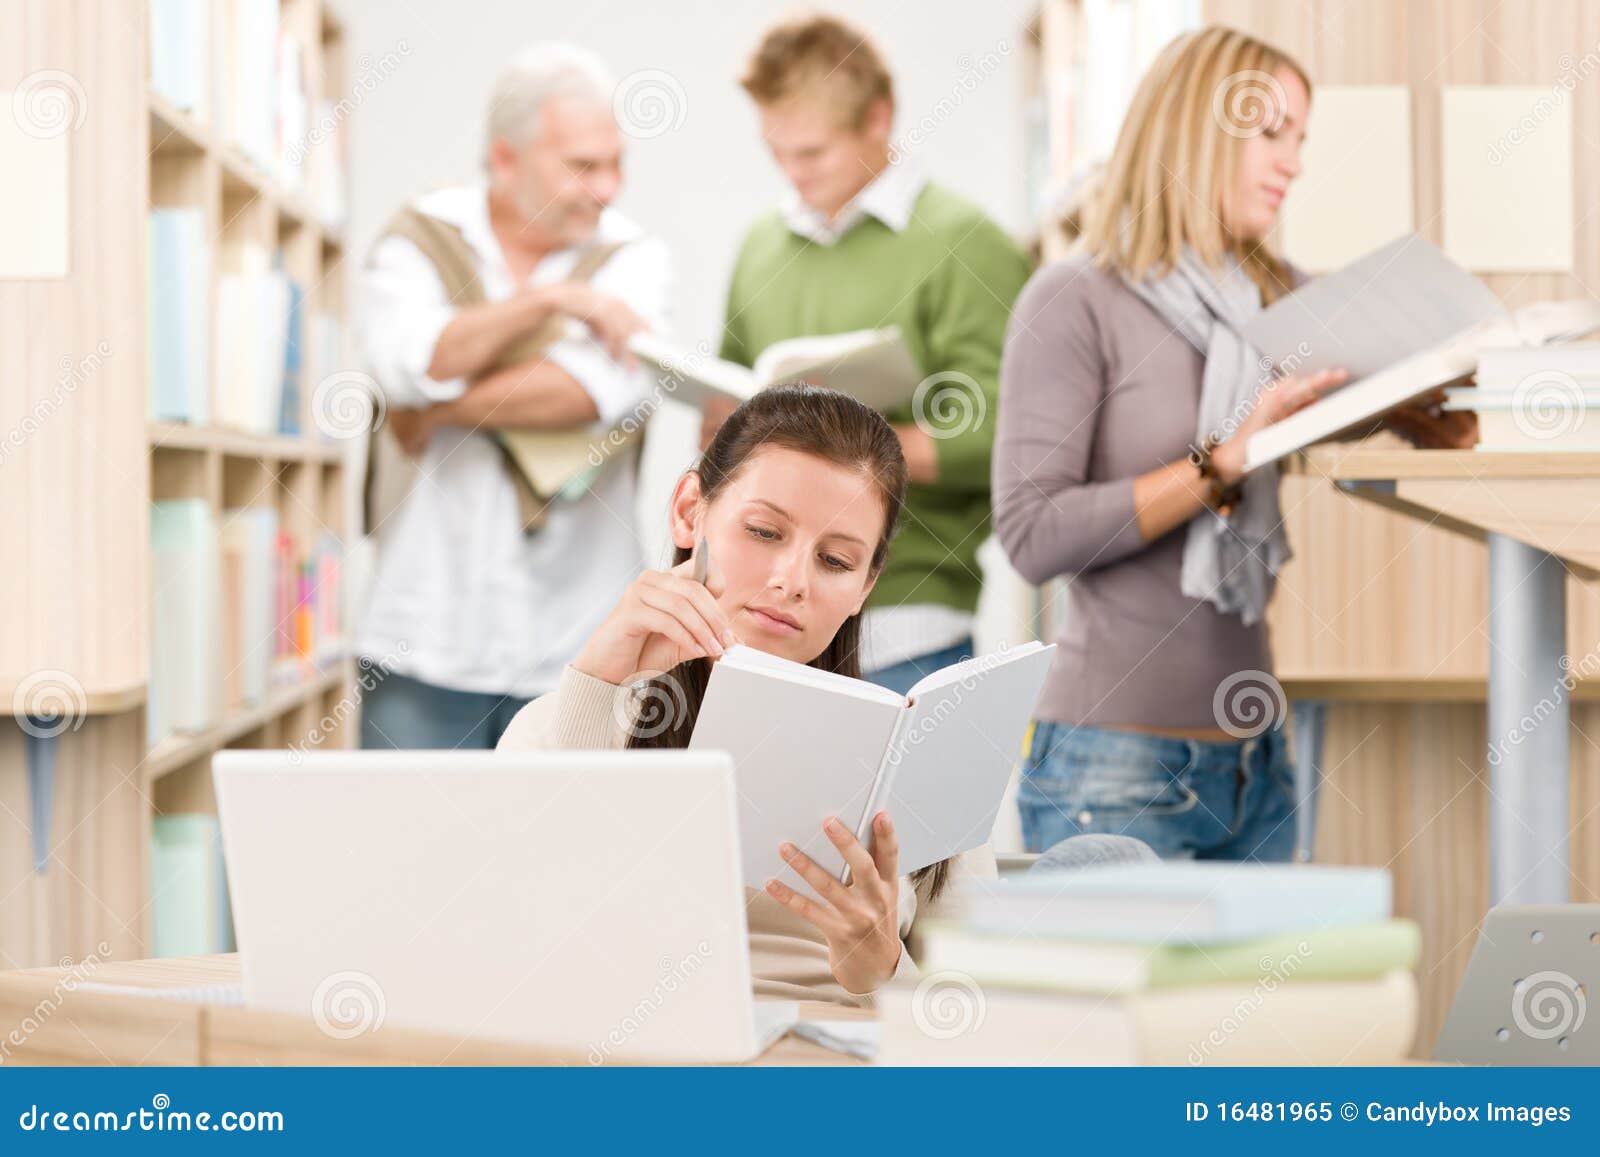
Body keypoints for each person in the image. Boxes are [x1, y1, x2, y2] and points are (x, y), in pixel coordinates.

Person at [994, 26, 1470, 861]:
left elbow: (1345, 402)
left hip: (1257, 763)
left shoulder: (1282, 303)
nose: (1293, 163)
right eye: (1270, 134)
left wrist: (1427, 404)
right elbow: (1032, 535)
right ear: (1195, 129)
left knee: (1261, 1001)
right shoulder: (1074, 297)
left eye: (1301, 140)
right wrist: (1219, 464)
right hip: (1112, 769)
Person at [497, 385, 994, 1005]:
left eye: (836, 561)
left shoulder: (921, 760)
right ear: (689, 513)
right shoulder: (563, 723)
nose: (791, 581)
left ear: (867, 585)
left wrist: (883, 972)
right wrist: (595, 686)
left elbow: (986, 1030)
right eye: (763, 532)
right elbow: (519, 955)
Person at [355, 43, 671, 749]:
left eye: (616, 162)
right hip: (422, 637)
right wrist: (554, 303)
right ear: (506, 161)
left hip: (582, 647)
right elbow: (412, 362)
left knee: (569, 860)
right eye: (583, 166)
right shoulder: (420, 239)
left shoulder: (635, 256)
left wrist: (437, 411)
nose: (608, 186)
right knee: (404, 856)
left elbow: (585, 392)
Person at [708, 13, 1032, 693]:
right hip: (763, 627)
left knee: (890, 805)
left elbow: (1008, 433)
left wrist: (837, 455)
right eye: (778, 152)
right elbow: (725, 394)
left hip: (905, 623)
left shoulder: (966, 241)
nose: (791, 174)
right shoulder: (759, 246)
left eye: (813, 153)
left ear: (878, 119)